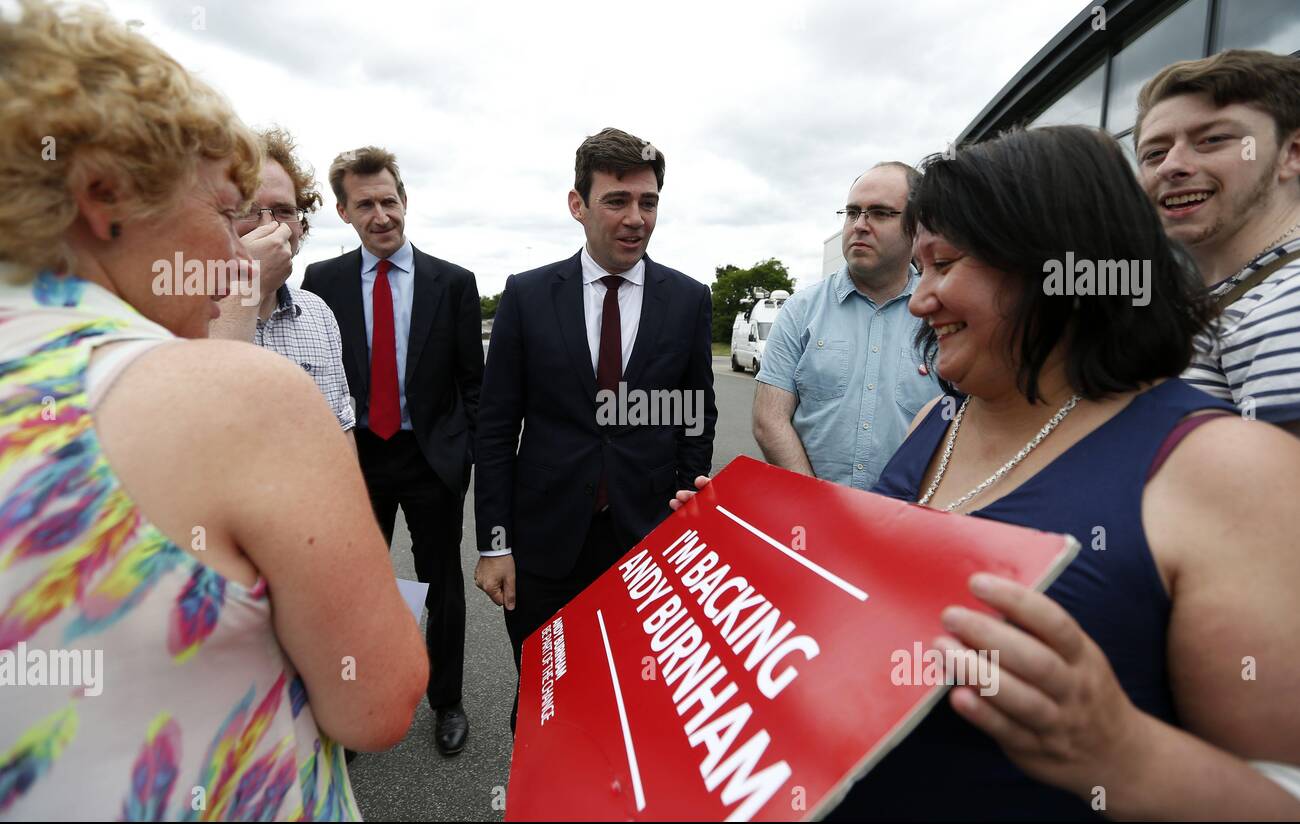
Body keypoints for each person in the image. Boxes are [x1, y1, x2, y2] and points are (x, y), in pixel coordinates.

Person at [675, 126, 1300, 820]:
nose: (919, 299)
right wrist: (744, 566)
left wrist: (1124, 753)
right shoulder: (935, 423)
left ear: (1055, 265)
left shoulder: (1232, 468)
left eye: (943, 265)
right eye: (920, 266)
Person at [0, 0, 427, 821]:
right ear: (104, 194)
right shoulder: (236, 397)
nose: (241, 249)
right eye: (225, 210)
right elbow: (378, 703)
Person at [474, 128, 716, 730]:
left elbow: (695, 412)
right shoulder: (528, 296)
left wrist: (681, 511)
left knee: (634, 705)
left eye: (649, 202)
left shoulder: (687, 300)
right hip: (543, 545)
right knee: (545, 704)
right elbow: (498, 427)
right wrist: (495, 543)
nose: (637, 219)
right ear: (578, 205)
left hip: (644, 543)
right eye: (618, 201)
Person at [303, 147, 482, 755]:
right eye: (366, 205)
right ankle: (360, 704)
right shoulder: (321, 283)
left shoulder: (454, 283)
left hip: (431, 460)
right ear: (344, 212)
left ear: (404, 201)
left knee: (442, 586)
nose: (382, 215)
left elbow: (472, 383)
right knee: (358, 590)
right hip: (357, 459)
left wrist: (464, 456)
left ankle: (447, 701)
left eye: (390, 200)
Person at [1136, 49, 1300, 436]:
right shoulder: (1225, 299)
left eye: (1211, 140)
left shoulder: (1288, 304)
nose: (1171, 166)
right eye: (1154, 153)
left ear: (1291, 154)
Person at [753, 163, 938, 489]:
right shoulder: (801, 310)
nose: (860, 226)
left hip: (913, 524)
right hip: (812, 517)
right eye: (853, 213)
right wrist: (815, 501)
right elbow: (770, 420)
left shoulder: (942, 313)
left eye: (880, 213)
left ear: (916, 226)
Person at [210, 127, 357, 445]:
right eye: (247, 209)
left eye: (284, 211)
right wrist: (249, 284)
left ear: (300, 227)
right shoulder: (180, 309)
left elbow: (340, 426)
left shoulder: (318, 312)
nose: (269, 226)